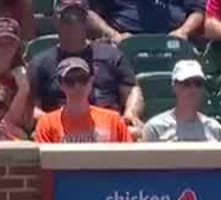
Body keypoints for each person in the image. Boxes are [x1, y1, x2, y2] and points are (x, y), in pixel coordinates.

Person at [27, 0, 142, 134]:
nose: (73, 23)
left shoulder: (112, 55)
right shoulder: (40, 63)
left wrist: (130, 113)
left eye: (79, 17)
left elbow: (131, 89)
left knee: (135, 132)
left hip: (109, 127)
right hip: (61, 129)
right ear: (55, 21)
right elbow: (30, 108)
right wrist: (51, 122)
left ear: (87, 21)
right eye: (67, 18)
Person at [32, 56, 133, 142]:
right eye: (70, 81)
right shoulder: (47, 124)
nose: (77, 86)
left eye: (83, 79)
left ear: (91, 81)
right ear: (61, 85)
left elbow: (129, 155)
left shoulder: (113, 120)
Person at [143, 58, 221, 141]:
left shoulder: (216, 130)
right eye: (186, 84)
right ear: (174, 87)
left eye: (198, 84)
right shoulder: (155, 128)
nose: (193, 89)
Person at [87, 0, 204, 43]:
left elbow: (198, 10)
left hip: (172, 41)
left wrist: (183, 31)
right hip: (125, 43)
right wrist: (114, 35)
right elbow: (88, 11)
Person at [0, 18, 28, 134]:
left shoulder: (26, 75)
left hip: (12, 132)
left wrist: (23, 89)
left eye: (10, 43)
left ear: (18, 47)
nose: (5, 48)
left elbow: (18, 120)